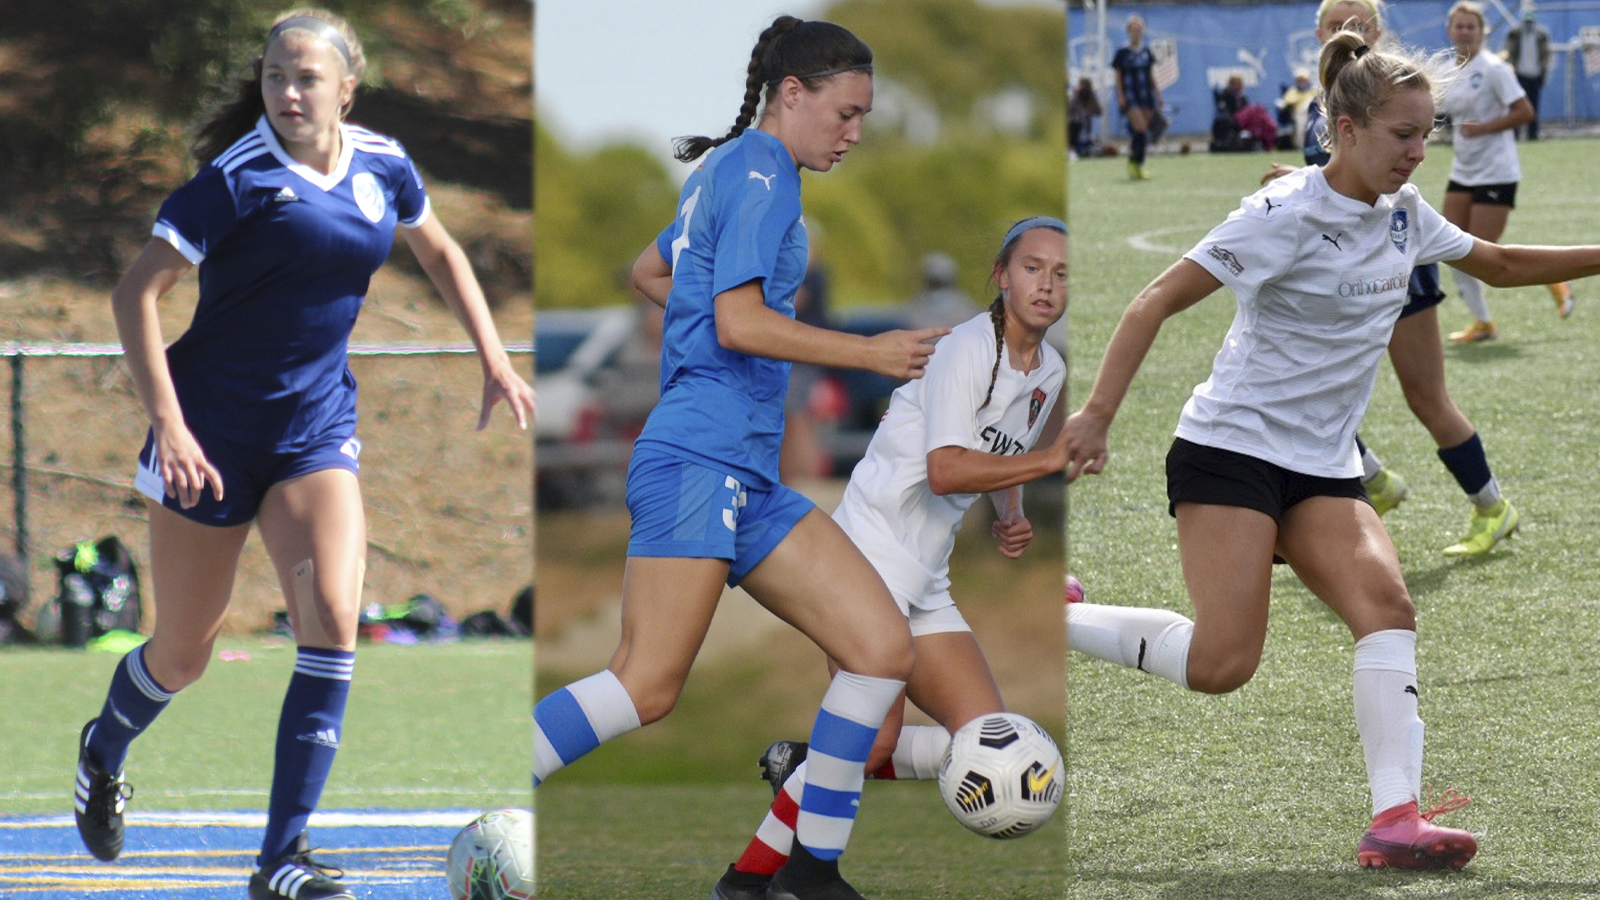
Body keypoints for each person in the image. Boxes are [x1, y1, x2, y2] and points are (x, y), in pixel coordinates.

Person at [1065, 27, 1600, 870]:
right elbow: (1152, 301)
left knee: (1386, 608)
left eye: (1429, 136)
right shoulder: (1282, 213)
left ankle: (1395, 821)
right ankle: (1050, 615)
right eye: (1402, 135)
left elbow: (1495, 262)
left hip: (1323, 467)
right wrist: (1095, 416)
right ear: (1345, 129)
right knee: (1221, 664)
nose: (1419, 153)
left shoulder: (1405, 218)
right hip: (1230, 449)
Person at [72, 10, 535, 900]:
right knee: (182, 654)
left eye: (308, 78)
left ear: (346, 88)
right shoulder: (237, 177)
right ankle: (104, 747)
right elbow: (137, 293)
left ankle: (280, 858)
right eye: (278, 75)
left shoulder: (384, 163)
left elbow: (438, 248)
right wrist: (167, 425)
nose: (289, 91)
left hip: (315, 432)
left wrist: (493, 356)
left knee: (332, 613)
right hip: (208, 437)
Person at [530, 17, 948, 900]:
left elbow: (651, 271)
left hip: (746, 474)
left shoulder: (729, 170)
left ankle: (794, 876)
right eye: (846, 111)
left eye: (863, 116)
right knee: (645, 687)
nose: (856, 132)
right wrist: (872, 353)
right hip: (696, 458)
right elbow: (737, 322)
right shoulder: (761, 174)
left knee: (878, 650)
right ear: (791, 93)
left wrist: (703, 328)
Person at [712, 218, 1067, 900]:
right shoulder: (967, 348)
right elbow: (944, 470)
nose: (1047, 284)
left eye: (1060, 273)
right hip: (869, 553)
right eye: (1032, 268)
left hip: (926, 577)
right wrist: (1051, 460)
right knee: (875, 745)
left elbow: (1001, 451)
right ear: (1000, 275)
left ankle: (808, 766)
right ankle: (748, 880)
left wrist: (1012, 510)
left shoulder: (1047, 368)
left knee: (985, 737)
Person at [1264, 0, 1519, 557]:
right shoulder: (1318, 103)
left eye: (1360, 24)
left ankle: (1491, 505)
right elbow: (1334, 179)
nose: (1348, 32)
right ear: (1319, 32)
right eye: (1338, 24)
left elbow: (1376, 184)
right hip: (1335, 271)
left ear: (1380, 33)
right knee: (1304, 386)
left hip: (1394, 267)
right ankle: (1372, 481)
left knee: (1426, 397)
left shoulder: (1391, 99)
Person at [1441, 0, 1573, 343]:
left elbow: (1525, 111)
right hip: (1463, 168)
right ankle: (1484, 323)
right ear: (1450, 30)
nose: (1465, 32)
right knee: (1451, 249)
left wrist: (1484, 128)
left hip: (1497, 170)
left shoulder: (1495, 68)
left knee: (1487, 256)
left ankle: (1552, 278)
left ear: (1483, 31)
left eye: (1472, 26)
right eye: (1460, 26)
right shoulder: (1448, 69)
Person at [1113, 15, 1161, 181]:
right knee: (1140, 128)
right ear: (1128, 31)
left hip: (1145, 94)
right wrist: (1120, 95)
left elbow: (1150, 75)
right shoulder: (1122, 53)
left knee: (1140, 132)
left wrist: (1158, 94)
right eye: (1134, 29)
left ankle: (1136, 163)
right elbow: (1118, 77)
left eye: (1139, 29)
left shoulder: (1146, 51)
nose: (1137, 33)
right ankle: (1134, 163)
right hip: (1130, 95)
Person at [1503, 7, 1552, 141]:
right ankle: (1515, 135)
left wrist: (1544, 70)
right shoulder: (1515, 33)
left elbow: (1547, 54)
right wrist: (1511, 68)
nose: (1529, 24)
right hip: (1519, 75)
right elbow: (1508, 51)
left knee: (1534, 106)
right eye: (1527, 22)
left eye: (1531, 22)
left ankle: (1532, 135)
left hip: (1535, 75)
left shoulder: (1541, 35)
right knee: (1516, 107)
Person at [1070, 76, 1103, 158]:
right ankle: (1073, 149)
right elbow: (1069, 110)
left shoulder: (1092, 97)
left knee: (1092, 149)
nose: (1084, 89)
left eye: (1086, 86)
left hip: (1087, 131)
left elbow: (1099, 111)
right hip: (1076, 129)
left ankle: (1086, 148)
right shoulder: (1075, 97)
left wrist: (1091, 106)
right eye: (1082, 86)